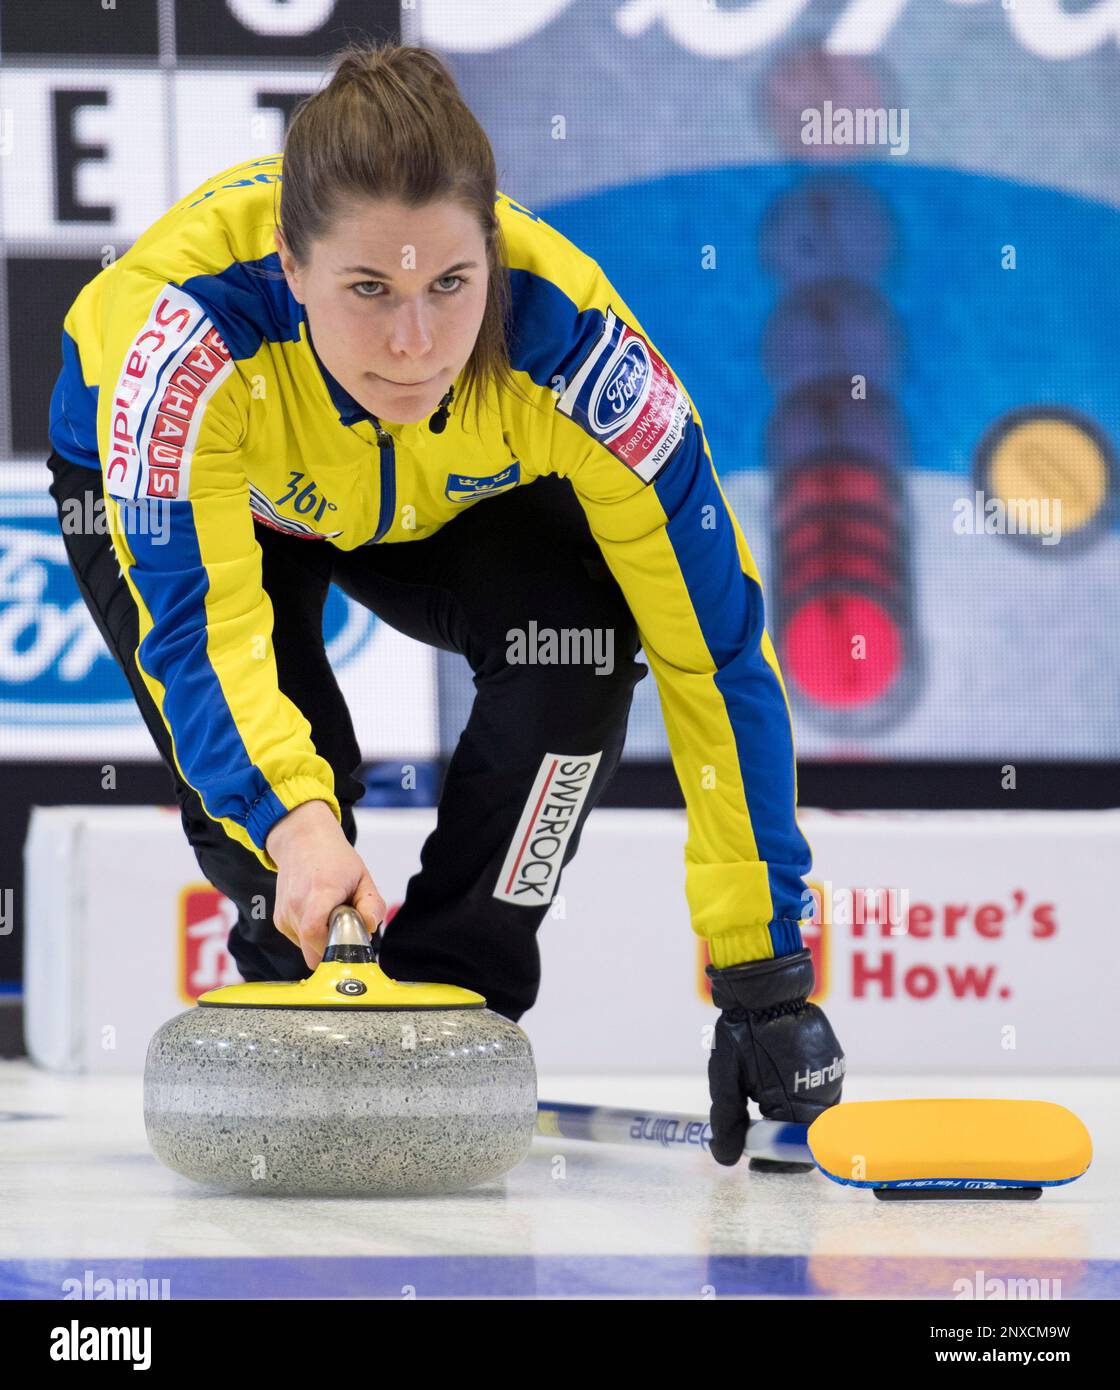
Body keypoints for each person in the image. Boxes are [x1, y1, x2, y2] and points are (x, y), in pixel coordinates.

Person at [46, 40, 844, 1164]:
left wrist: (764, 982)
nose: (415, 345)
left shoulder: (573, 354)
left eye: (449, 286)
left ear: (492, 252)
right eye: (368, 289)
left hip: (442, 498)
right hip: (214, 499)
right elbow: (202, 640)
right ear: (290, 263)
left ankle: (457, 990)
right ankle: (296, 972)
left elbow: (711, 657)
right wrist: (294, 825)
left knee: (577, 657)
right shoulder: (178, 345)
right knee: (287, 802)